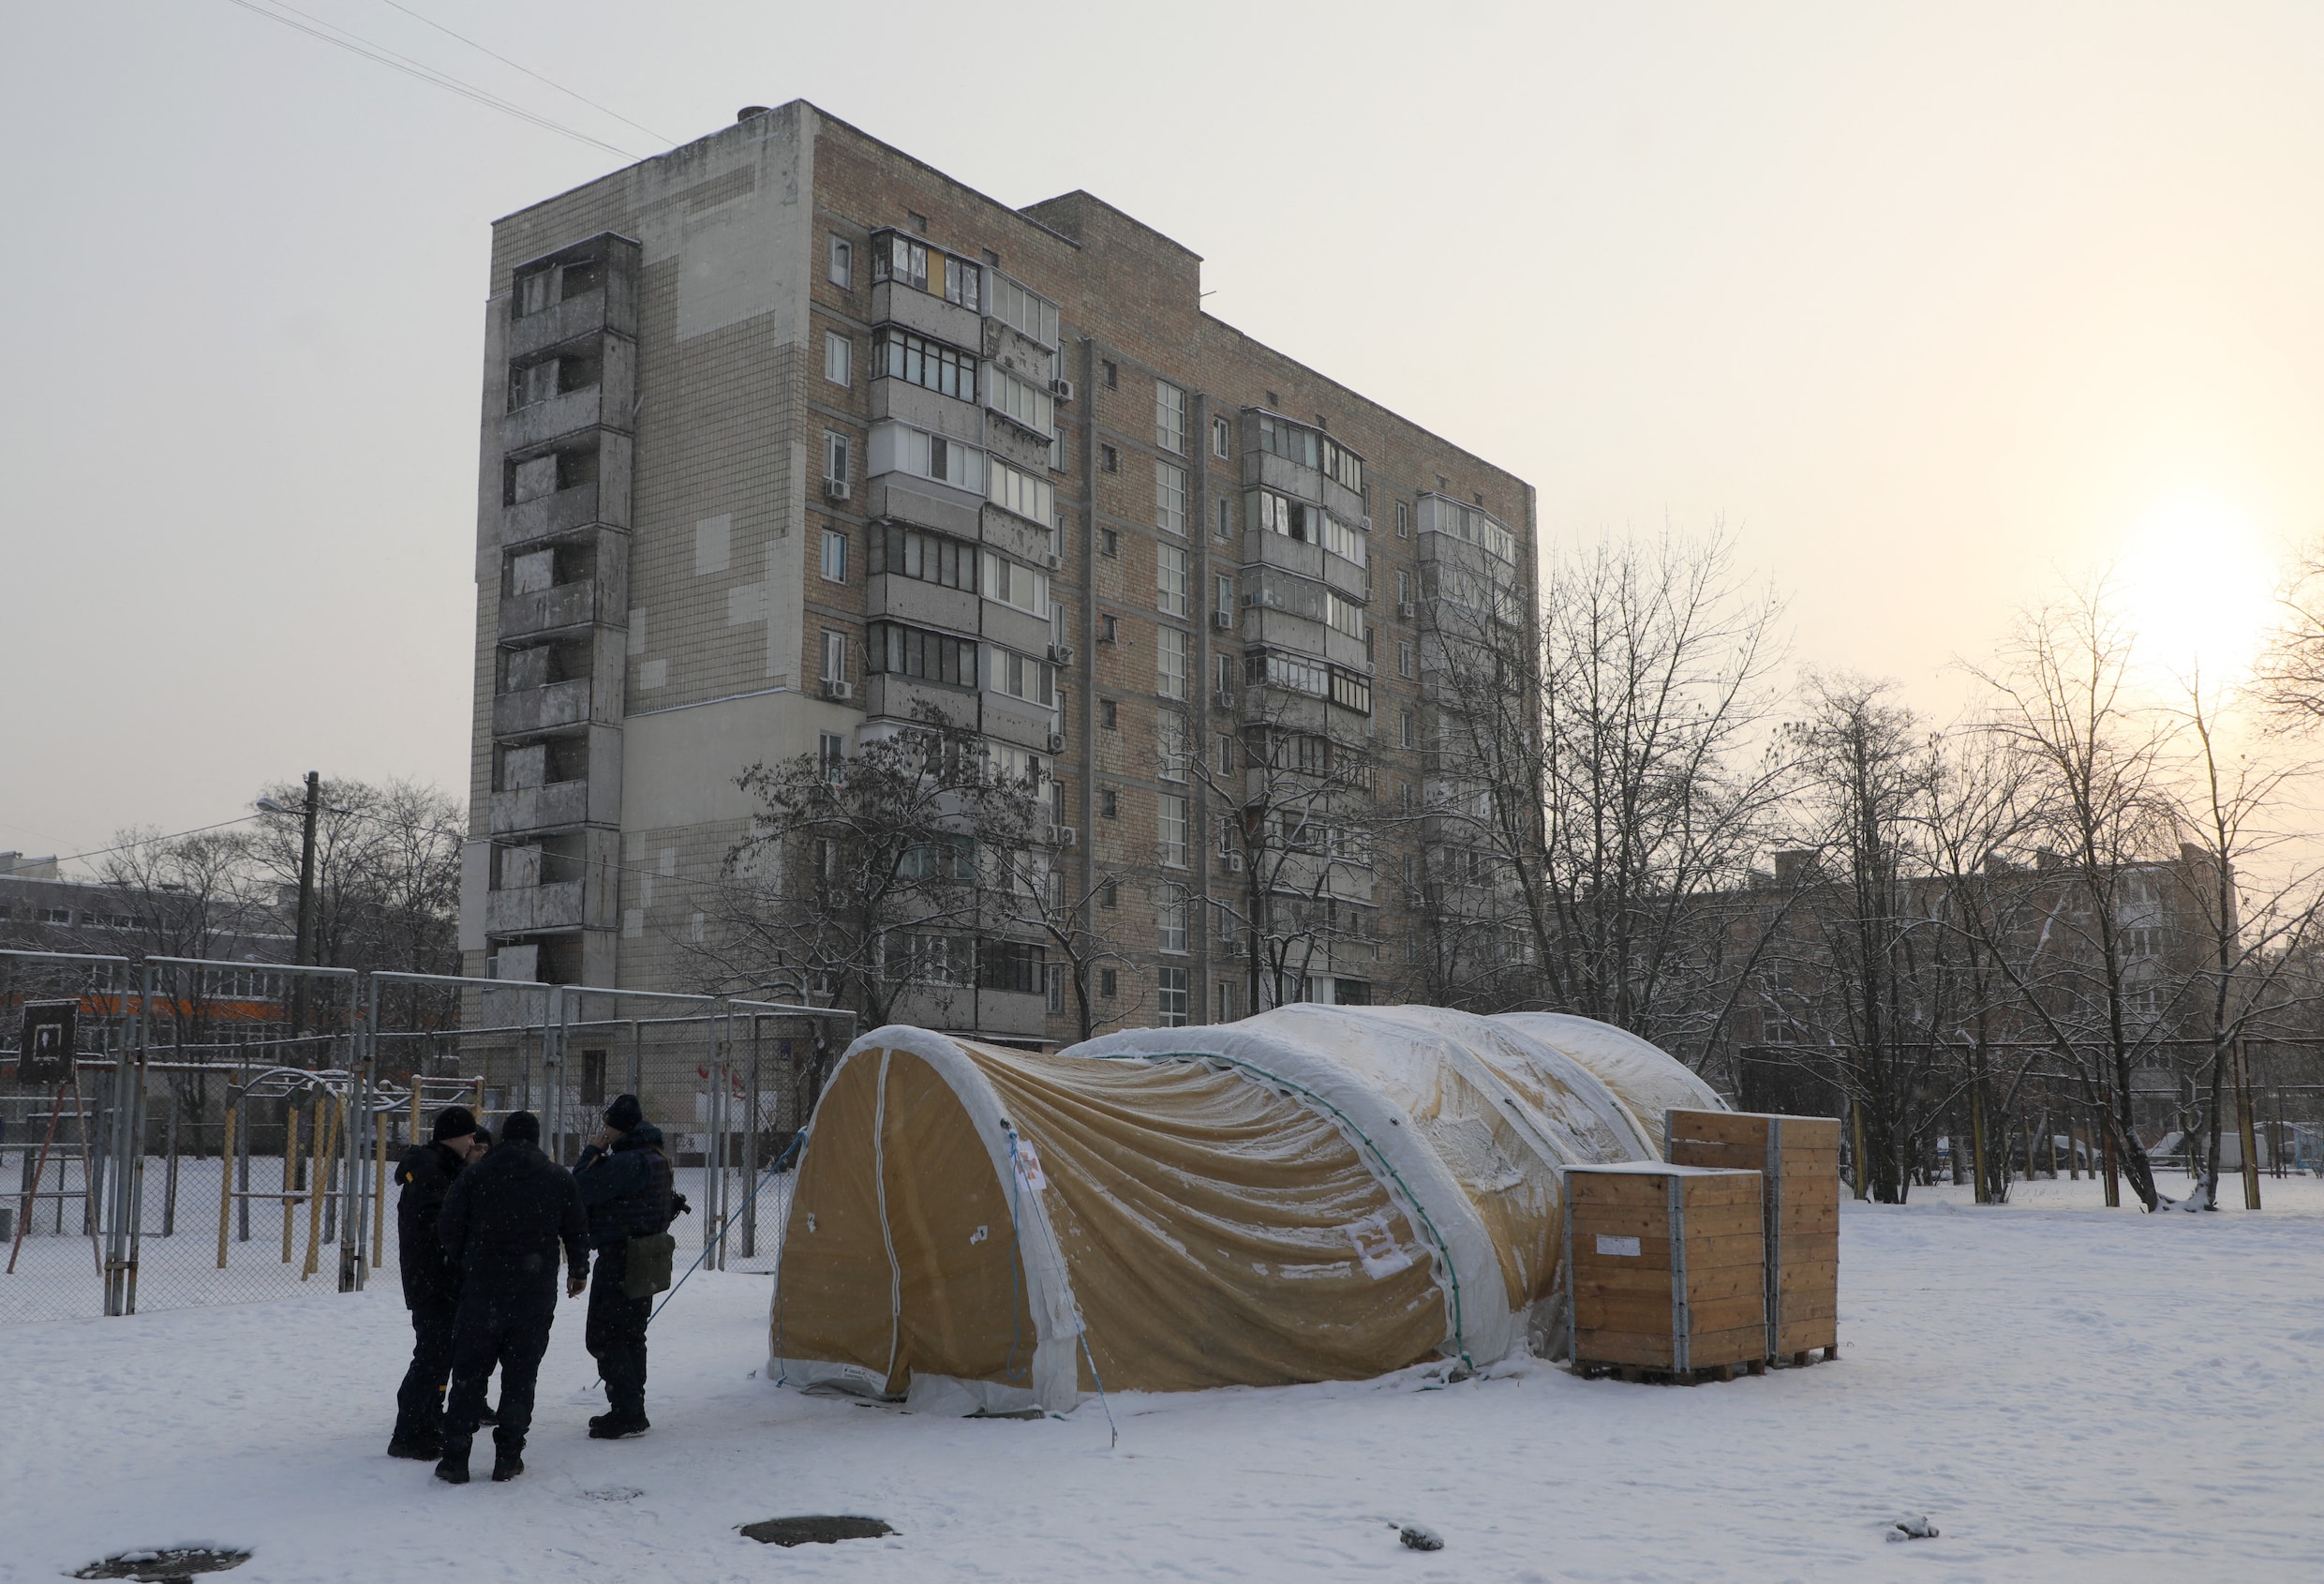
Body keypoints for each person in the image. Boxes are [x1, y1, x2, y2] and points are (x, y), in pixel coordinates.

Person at [434, 1110, 588, 1485]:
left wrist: (468, 1259)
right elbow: (577, 1228)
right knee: (521, 1375)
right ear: (536, 1139)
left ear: (503, 1137)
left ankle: (455, 1457)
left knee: (470, 1373)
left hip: (483, 1289)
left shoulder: (476, 1174)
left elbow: (449, 1224)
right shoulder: (557, 1177)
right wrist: (578, 1270)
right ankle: (508, 1456)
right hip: (534, 1292)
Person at [574, 1094, 676, 1440]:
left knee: (605, 1335)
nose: (606, 1133)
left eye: (608, 1128)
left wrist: (591, 1151)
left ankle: (627, 1410)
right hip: (646, 1256)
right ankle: (632, 1406)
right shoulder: (656, 1155)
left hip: (621, 1256)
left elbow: (580, 1188)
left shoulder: (629, 1162)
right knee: (631, 1334)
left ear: (621, 1128)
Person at [387, 1105, 483, 1459]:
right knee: (432, 1354)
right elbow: (436, 1225)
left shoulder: (443, 1167)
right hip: (432, 1279)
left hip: (439, 1277)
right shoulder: (431, 1171)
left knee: (439, 1354)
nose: (472, 1142)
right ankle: (409, 1432)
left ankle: (426, 1420)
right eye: (469, 1135)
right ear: (451, 1136)